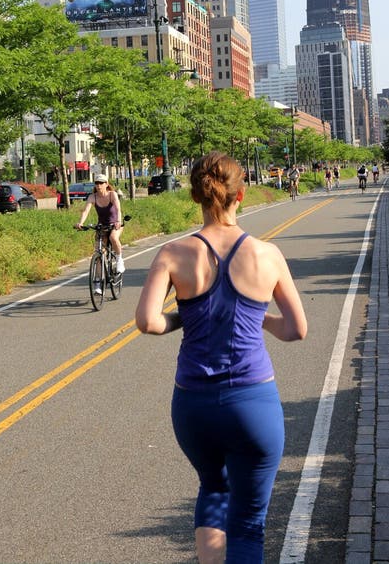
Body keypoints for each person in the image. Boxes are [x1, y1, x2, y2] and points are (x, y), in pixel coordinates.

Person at [135, 152, 307, 564]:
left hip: (193, 405)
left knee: (213, 489)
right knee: (248, 523)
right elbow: (296, 330)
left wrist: (182, 317)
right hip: (252, 403)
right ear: (240, 195)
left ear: (197, 196)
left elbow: (146, 321)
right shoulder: (267, 255)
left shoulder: (173, 253)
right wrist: (259, 318)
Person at [75, 174, 125, 282]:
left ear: (106, 184)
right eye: (97, 183)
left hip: (115, 224)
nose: (98, 185)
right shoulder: (92, 197)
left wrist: (118, 221)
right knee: (98, 253)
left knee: (113, 238)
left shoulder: (112, 195)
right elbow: (86, 211)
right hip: (102, 226)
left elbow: (118, 209)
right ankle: (98, 282)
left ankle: (120, 260)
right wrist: (81, 223)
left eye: (101, 183)